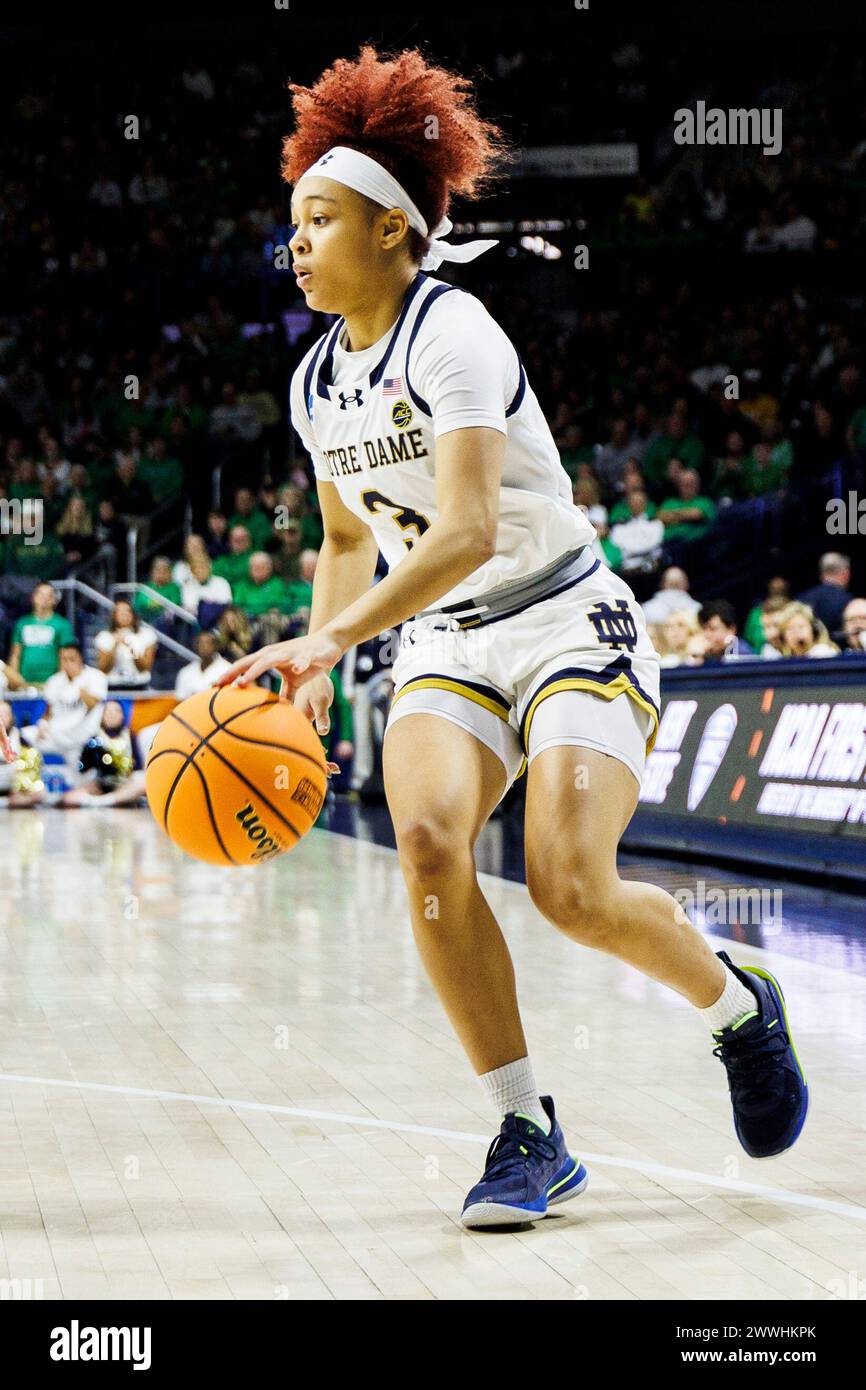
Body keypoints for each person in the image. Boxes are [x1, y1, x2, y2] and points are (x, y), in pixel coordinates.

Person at [217, 44, 807, 1229]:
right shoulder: (312, 382)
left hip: (559, 614)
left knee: (567, 887)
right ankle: (524, 1126)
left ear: (389, 230)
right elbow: (343, 535)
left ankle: (735, 1002)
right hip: (438, 637)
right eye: (293, 222)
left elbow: (472, 528)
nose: (298, 242)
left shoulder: (454, 331)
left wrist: (330, 644)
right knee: (428, 842)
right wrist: (315, 652)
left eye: (320, 219)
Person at [19, 642, 107, 772]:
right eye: (64, 659)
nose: (67, 663)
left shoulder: (96, 677)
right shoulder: (54, 680)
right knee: (23, 736)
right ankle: (28, 780)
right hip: (55, 735)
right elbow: (48, 710)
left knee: (83, 778)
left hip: (82, 739)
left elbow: (92, 705)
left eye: (72, 659)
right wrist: (42, 725)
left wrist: (77, 682)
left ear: (80, 658)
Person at [7, 582, 75, 687]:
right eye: (40, 594)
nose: (44, 598)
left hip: (50, 683)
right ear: (33, 597)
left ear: (54, 600)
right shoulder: (22, 623)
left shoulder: (62, 624)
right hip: (24, 683)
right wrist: (14, 680)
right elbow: (15, 654)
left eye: (49, 595)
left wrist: (60, 683)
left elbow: (66, 656)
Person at [94, 599, 158, 688]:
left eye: (127, 611)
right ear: (113, 616)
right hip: (113, 686)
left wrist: (131, 647)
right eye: (120, 612)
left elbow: (145, 668)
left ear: (133, 614)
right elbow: (103, 669)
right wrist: (115, 645)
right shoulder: (104, 636)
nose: (124, 615)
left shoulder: (147, 634)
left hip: (140, 685)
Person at [797, 553, 853, 642]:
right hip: (841, 654)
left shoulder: (801, 599)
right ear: (845, 574)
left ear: (822, 574)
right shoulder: (849, 602)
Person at [174, 630, 232, 700]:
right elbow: (180, 701)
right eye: (200, 643)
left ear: (216, 646)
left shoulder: (228, 669)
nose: (203, 646)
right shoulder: (186, 672)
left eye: (208, 643)